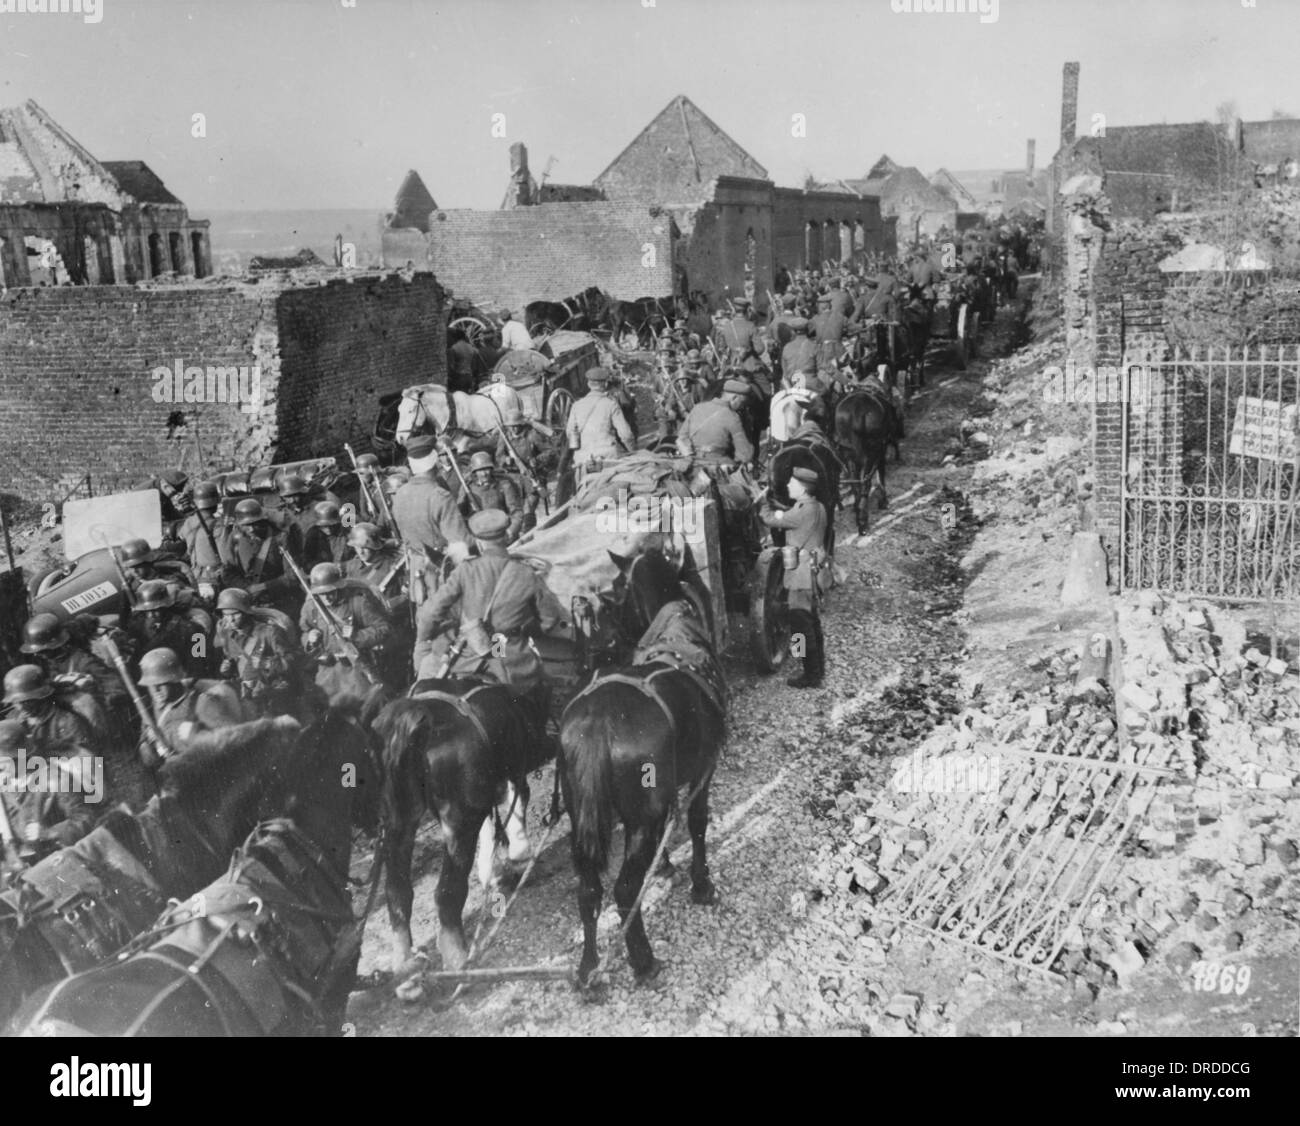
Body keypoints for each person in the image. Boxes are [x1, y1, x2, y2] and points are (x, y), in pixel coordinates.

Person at [391, 433, 472, 674]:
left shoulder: (400, 494)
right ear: (435, 461)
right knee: (450, 625)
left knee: (424, 626)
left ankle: (422, 672)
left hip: (416, 569)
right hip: (441, 571)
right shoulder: (439, 496)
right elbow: (460, 545)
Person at [759, 466, 827, 689]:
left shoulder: (801, 512)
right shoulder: (818, 507)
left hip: (799, 576)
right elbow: (791, 515)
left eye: (793, 483)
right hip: (813, 573)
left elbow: (769, 518)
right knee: (812, 622)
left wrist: (763, 501)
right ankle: (818, 669)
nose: (788, 485)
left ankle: (809, 675)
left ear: (803, 488)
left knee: (800, 627)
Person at [0, 719, 98, 868]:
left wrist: (49, 833)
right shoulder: (4, 787)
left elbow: (86, 819)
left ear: (20, 758)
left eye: (2, 765)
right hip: (22, 865)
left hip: (61, 859)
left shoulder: (56, 779)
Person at [135, 647, 248, 773]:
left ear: (174, 680)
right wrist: (145, 745)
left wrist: (196, 736)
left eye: (161, 684)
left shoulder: (203, 703)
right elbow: (145, 732)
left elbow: (232, 740)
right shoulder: (155, 704)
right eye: (151, 685)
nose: (155, 691)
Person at [299, 562, 392, 681]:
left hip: (357, 668)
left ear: (338, 587)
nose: (326, 598)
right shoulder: (311, 607)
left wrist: (357, 635)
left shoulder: (357, 602)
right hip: (329, 671)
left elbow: (384, 628)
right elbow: (304, 631)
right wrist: (310, 640)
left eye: (330, 592)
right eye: (321, 594)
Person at [220, 498, 302, 619]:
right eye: (247, 525)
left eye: (255, 524)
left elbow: (292, 576)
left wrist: (264, 587)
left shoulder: (280, 537)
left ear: (263, 520)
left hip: (279, 600)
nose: (252, 529)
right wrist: (247, 588)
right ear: (239, 525)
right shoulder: (236, 538)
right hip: (248, 602)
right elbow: (228, 572)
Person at [126, 580, 214, 679]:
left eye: (155, 610)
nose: (151, 615)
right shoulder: (136, 628)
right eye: (146, 611)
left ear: (165, 607)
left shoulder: (192, 630)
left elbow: (199, 665)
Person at [213, 587, 299, 683]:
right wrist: (227, 670)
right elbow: (238, 666)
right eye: (226, 615)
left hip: (268, 686)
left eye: (235, 614)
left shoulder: (269, 632)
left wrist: (267, 664)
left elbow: (292, 660)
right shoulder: (229, 635)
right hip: (244, 687)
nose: (231, 619)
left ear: (246, 612)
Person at [566, 367, 634, 478]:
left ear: (588, 384)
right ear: (605, 384)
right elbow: (626, 435)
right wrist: (632, 451)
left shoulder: (576, 406)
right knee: (628, 481)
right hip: (608, 459)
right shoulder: (611, 404)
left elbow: (570, 434)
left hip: (582, 461)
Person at [677, 378, 754, 464]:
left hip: (693, 462)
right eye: (742, 402)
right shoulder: (732, 416)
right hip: (716, 463)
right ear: (734, 398)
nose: (742, 407)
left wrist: (689, 456)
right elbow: (745, 454)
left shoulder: (697, 408)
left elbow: (682, 437)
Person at [461, 451, 525, 542]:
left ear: (491, 469)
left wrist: (511, 531)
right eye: (480, 470)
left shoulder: (503, 485)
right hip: (481, 538)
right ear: (474, 472)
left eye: (486, 469)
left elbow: (516, 512)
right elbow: (461, 517)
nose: (484, 474)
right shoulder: (467, 489)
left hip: (504, 534)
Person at [302, 501, 353, 568]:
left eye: (332, 526)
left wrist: (343, 566)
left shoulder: (347, 533)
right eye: (324, 526)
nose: (328, 529)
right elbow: (308, 561)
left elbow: (357, 559)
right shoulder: (313, 535)